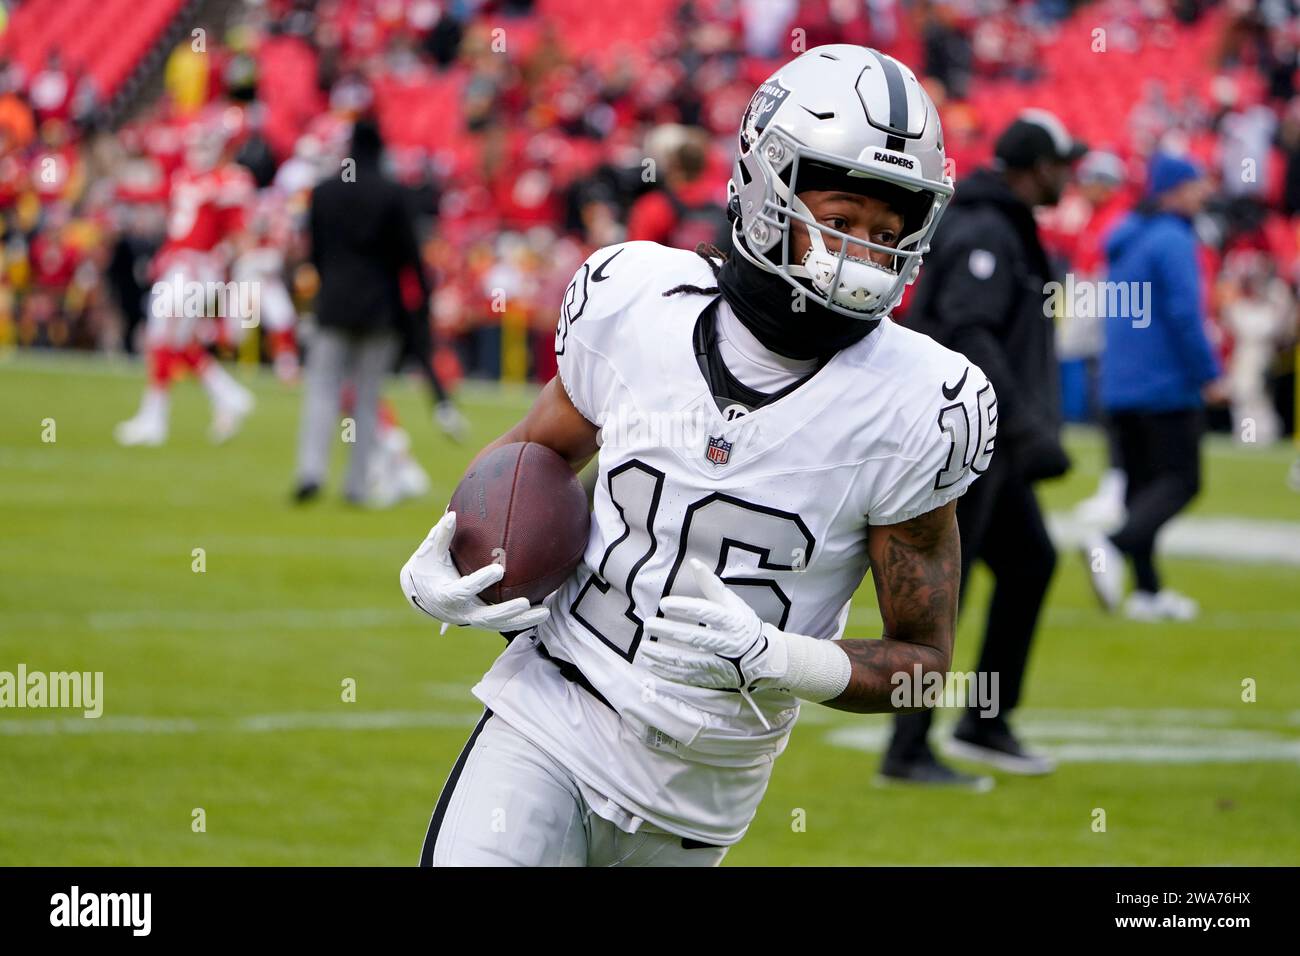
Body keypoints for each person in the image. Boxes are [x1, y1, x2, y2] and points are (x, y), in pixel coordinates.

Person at [400, 45, 997, 866]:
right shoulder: (635, 299)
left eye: (886, 233)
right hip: (550, 719)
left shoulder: (921, 404)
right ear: (766, 189)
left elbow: (922, 667)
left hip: (701, 795)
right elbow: (532, 459)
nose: (862, 254)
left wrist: (774, 657)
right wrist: (447, 553)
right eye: (841, 219)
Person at [882, 110, 1082, 785]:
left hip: (990, 439)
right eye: (1060, 163)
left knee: (1030, 563)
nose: (1069, 175)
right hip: (967, 440)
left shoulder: (1002, 225)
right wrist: (1024, 427)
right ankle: (907, 751)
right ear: (1033, 167)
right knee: (938, 594)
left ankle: (985, 721)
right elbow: (969, 329)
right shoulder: (988, 231)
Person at [1084, 152, 1219, 622]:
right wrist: (1209, 375)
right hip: (1163, 386)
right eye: (1196, 183)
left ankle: (1146, 592)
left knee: (1142, 491)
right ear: (1173, 190)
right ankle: (1111, 544)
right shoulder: (1172, 239)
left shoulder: (1127, 236)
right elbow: (1186, 315)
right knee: (1183, 481)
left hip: (1119, 386)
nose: (1205, 192)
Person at [293, 119, 422, 505]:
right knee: (367, 398)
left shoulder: (324, 192)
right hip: (379, 309)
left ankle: (310, 472)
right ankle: (357, 485)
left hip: (332, 304)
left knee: (322, 389)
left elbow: (314, 252)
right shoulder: (392, 193)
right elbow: (409, 258)